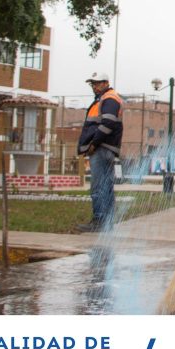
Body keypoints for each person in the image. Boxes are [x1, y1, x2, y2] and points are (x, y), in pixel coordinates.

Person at [76, 71, 123, 232]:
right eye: (92, 84)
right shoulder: (105, 99)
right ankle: (107, 221)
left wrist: (94, 143)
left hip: (102, 148)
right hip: (105, 148)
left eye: (96, 83)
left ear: (105, 83)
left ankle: (100, 220)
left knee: (98, 186)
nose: (94, 87)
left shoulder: (109, 99)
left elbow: (107, 124)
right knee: (106, 185)